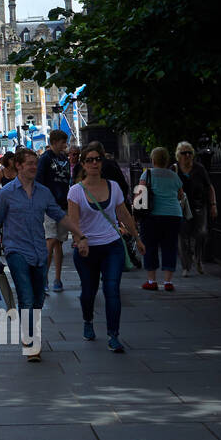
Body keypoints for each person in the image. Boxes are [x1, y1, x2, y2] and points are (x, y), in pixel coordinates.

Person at [0, 147, 88, 362]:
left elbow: (59, 215)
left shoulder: (43, 192)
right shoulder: (6, 193)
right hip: (16, 250)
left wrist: (79, 234)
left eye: (35, 163)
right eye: (30, 163)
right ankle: (31, 341)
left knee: (39, 298)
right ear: (19, 166)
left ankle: (30, 332)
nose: (34, 167)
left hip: (39, 251)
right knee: (26, 295)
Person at [66, 141, 143, 353]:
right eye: (89, 160)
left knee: (112, 290)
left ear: (102, 162)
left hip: (112, 246)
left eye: (97, 159)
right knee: (88, 292)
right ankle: (88, 320)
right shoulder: (76, 192)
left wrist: (137, 238)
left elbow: (124, 214)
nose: (94, 163)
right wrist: (80, 240)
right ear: (83, 163)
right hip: (87, 249)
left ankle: (114, 335)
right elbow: (74, 221)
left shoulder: (114, 187)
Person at [139, 146, 186, 291]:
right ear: (167, 160)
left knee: (150, 246)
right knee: (169, 246)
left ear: (153, 160)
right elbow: (180, 194)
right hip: (173, 215)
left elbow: (140, 195)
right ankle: (167, 282)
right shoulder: (174, 176)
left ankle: (152, 280)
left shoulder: (147, 175)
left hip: (152, 216)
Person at [36, 129, 73, 293]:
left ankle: (57, 278)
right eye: (63, 142)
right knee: (50, 240)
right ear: (55, 142)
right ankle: (43, 277)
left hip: (62, 204)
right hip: (49, 205)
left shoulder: (64, 158)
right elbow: (39, 181)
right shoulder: (45, 158)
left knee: (59, 242)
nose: (65, 145)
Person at [174, 141, 217, 277]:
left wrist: (213, 205)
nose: (187, 155)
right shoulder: (174, 169)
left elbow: (209, 187)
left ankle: (198, 258)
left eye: (189, 153)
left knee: (202, 233)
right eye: (184, 153)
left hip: (199, 205)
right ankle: (186, 266)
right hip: (180, 207)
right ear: (178, 155)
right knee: (182, 237)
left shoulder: (199, 168)